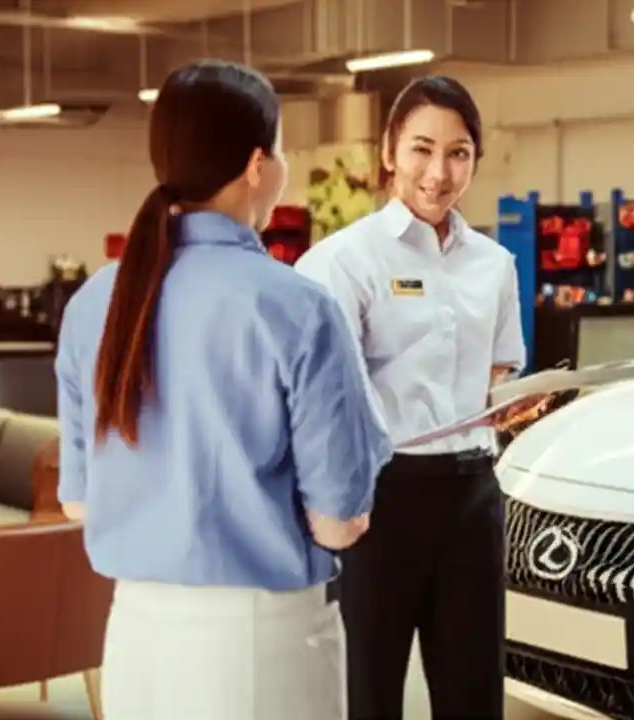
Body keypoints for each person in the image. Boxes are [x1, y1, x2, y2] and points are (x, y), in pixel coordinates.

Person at [54, 59, 392, 720]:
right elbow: (338, 522)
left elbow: (78, 502)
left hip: (134, 636)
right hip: (258, 642)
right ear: (258, 165)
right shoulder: (296, 307)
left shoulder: (95, 303)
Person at [294, 75, 530, 719]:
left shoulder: (495, 264)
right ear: (390, 152)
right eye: (422, 149)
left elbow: (500, 372)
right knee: (367, 694)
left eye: (458, 153)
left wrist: (523, 402)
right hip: (377, 500)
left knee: (473, 695)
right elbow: (326, 399)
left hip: (472, 497)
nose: (439, 172)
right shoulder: (342, 262)